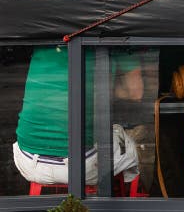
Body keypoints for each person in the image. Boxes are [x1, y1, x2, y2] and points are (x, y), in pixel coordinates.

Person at [13, 45, 142, 187]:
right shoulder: (116, 34)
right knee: (130, 140)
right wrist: (106, 90)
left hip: (27, 160)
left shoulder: (43, 35)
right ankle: (131, 199)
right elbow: (136, 93)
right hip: (84, 166)